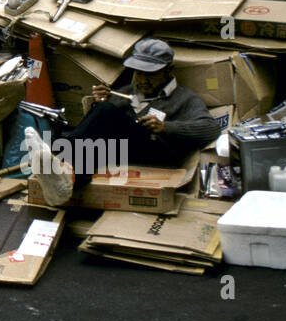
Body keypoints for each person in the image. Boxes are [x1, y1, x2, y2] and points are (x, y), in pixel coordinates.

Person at [28, 38, 220, 205]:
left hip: (157, 153)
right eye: (139, 73)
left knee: (105, 113)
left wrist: (166, 127)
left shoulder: (185, 98)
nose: (143, 80)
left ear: (169, 71)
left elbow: (211, 129)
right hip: (124, 151)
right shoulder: (126, 91)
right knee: (98, 140)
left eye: (150, 74)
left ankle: (57, 154)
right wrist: (100, 103)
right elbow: (104, 128)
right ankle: (66, 182)